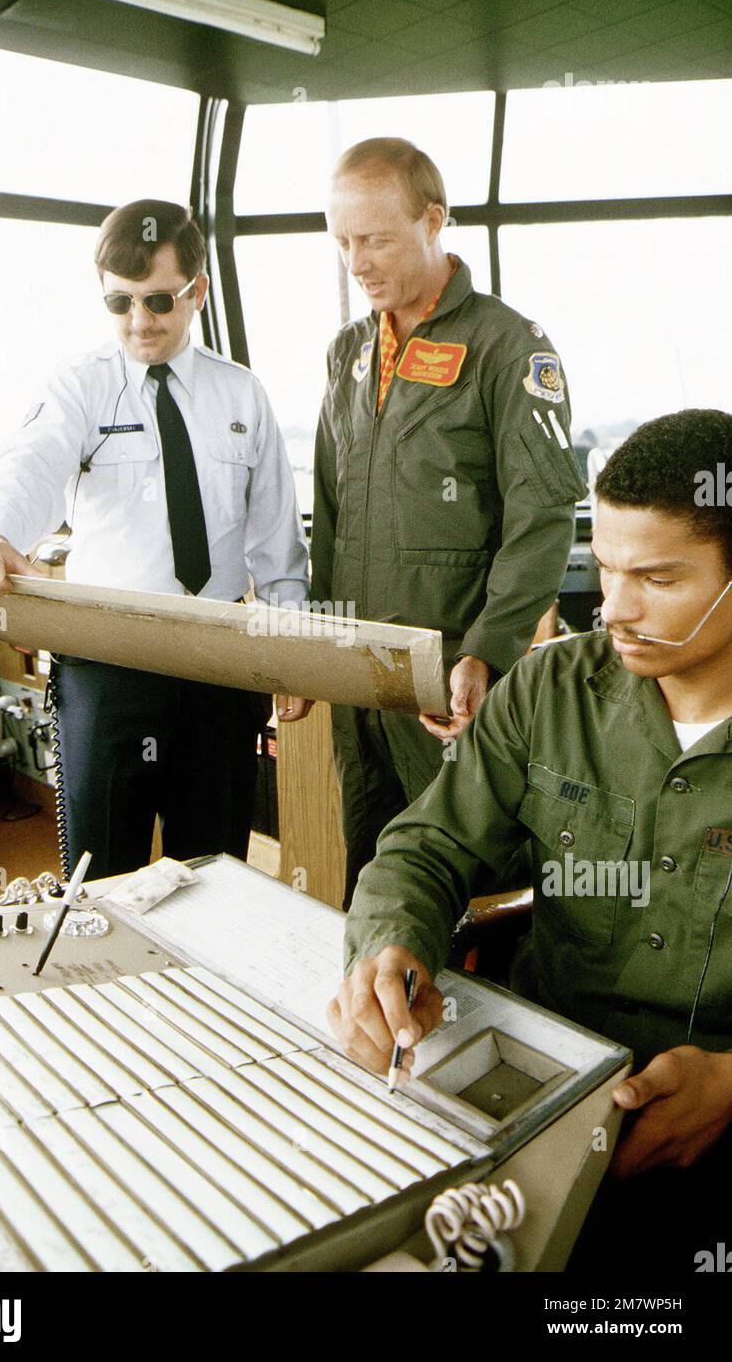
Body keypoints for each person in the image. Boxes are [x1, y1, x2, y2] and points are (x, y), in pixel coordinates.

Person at [327, 409, 732, 1271]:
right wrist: (391, 941)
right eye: (608, 568)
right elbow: (428, 848)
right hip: (538, 1088)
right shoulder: (551, 689)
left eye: (656, 579)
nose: (613, 609)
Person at [0, 200, 309, 879]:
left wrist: (290, 644)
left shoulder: (242, 396)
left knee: (215, 872)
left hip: (217, 667)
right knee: (98, 873)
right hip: (109, 669)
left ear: (197, 291)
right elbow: (32, 467)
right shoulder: (81, 387)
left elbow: (276, 535)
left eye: (160, 300)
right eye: (121, 303)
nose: (139, 322)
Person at [310, 137, 588, 905]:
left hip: (450, 679)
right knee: (370, 873)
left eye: (375, 239)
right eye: (342, 242)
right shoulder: (349, 353)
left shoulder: (508, 347)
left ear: (435, 221)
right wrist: (309, 648)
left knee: (462, 875)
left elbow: (542, 514)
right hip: (358, 675)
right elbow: (329, 510)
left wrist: (489, 651)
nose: (356, 263)